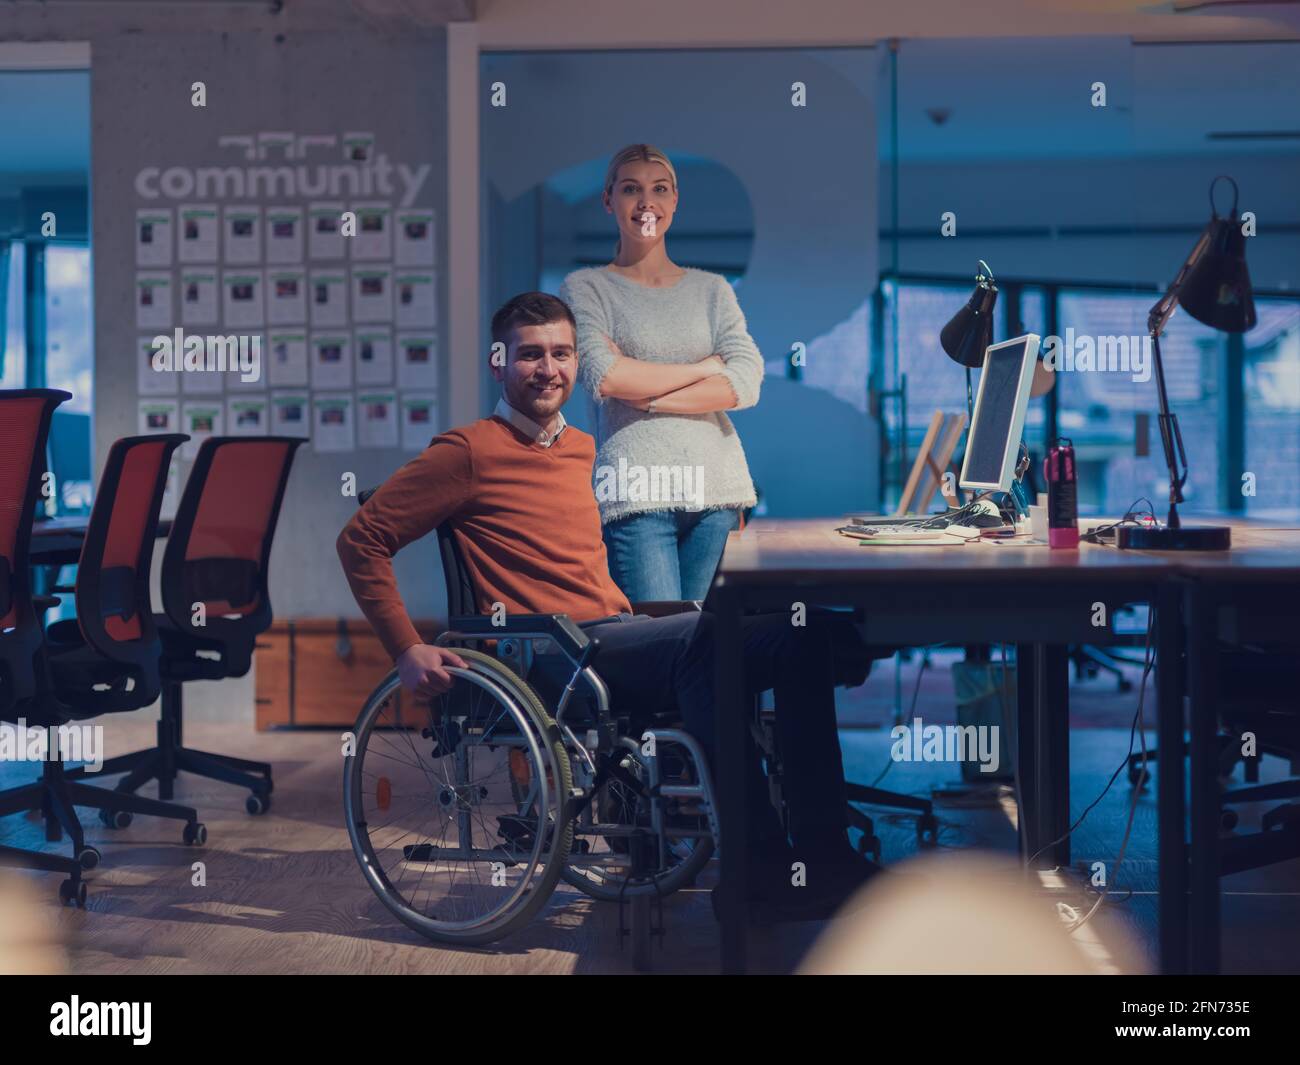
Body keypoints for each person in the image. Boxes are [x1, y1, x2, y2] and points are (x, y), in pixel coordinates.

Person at [336, 292, 876, 914]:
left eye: (561, 354)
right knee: (709, 644)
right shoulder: (466, 451)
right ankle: (756, 866)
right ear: (497, 364)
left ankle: (824, 856)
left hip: (616, 635)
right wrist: (406, 648)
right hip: (552, 654)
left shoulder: (586, 449)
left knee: (796, 635)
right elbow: (361, 540)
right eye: (530, 355)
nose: (548, 369)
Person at [559, 143, 763, 602]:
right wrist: (705, 368)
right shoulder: (587, 287)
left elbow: (745, 381)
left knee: (710, 648)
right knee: (662, 644)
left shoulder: (712, 290)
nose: (646, 202)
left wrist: (647, 397)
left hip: (719, 487)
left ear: (675, 201)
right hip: (636, 490)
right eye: (631, 189)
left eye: (660, 189)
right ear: (609, 200)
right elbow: (604, 376)